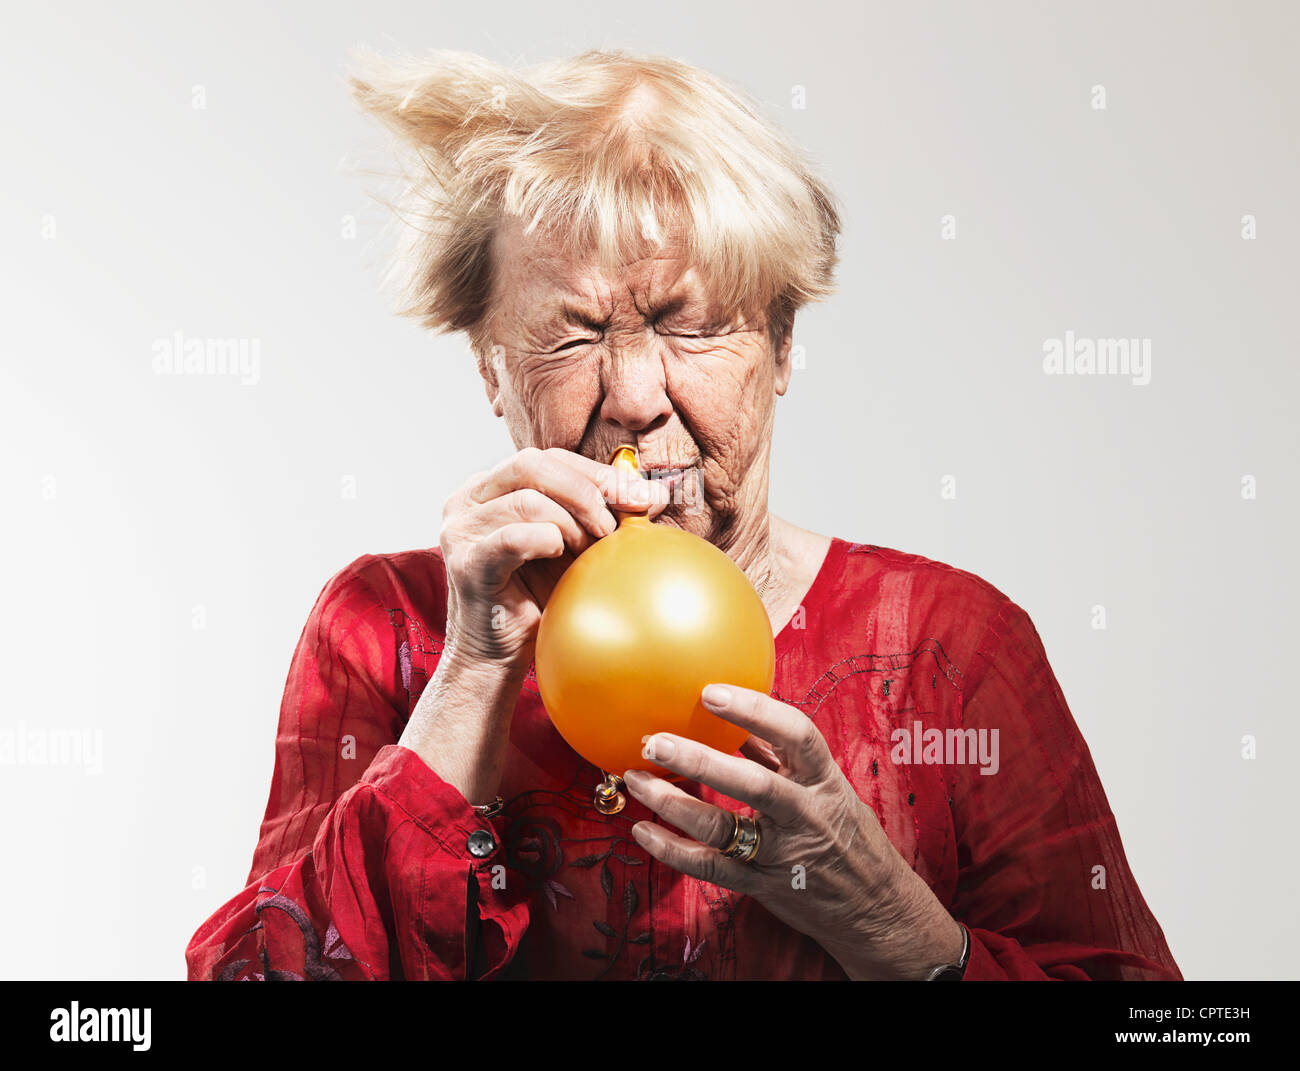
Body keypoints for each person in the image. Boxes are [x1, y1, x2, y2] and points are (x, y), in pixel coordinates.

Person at [186, 48, 1181, 981]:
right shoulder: (387, 631)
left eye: (687, 324)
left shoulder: (948, 648)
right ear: (489, 367)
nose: (632, 396)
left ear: (781, 345)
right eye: (571, 335)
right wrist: (470, 676)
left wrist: (901, 932)